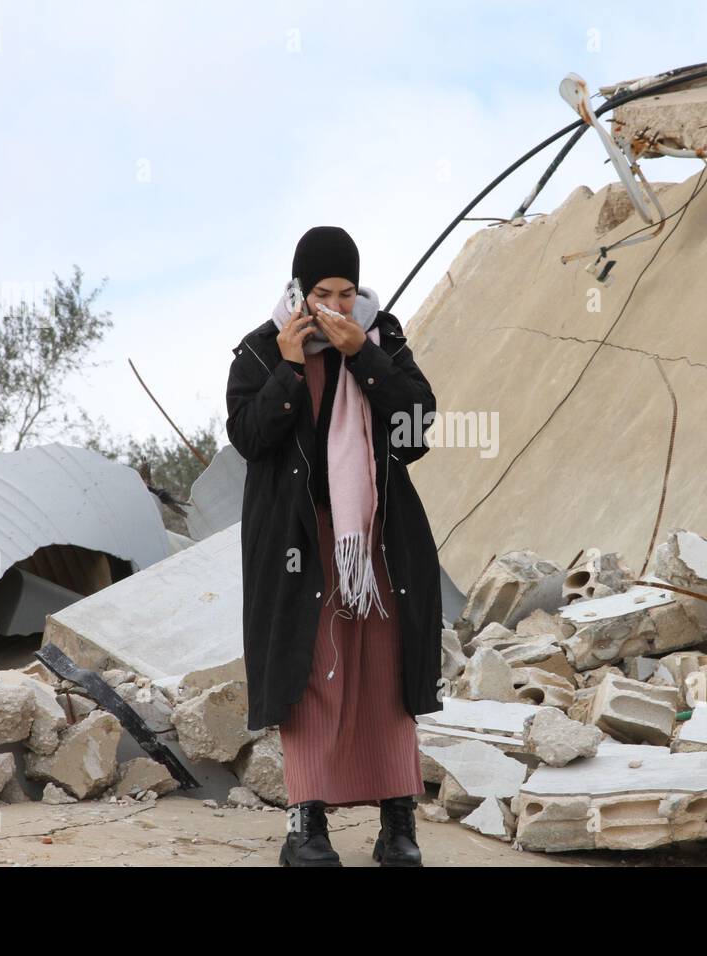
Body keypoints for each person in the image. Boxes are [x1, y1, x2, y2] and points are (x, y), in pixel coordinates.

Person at [225, 226, 444, 867]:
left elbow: (416, 429)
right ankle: (306, 826)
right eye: (323, 293)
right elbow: (250, 438)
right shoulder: (262, 350)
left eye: (348, 293)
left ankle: (398, 825)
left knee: (385, 668)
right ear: (299, 291)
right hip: (298, 543)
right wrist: (293, 369)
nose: (337, 307)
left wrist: (364, 360)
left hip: (376, 539)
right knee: (312, 671)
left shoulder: (384, 339)